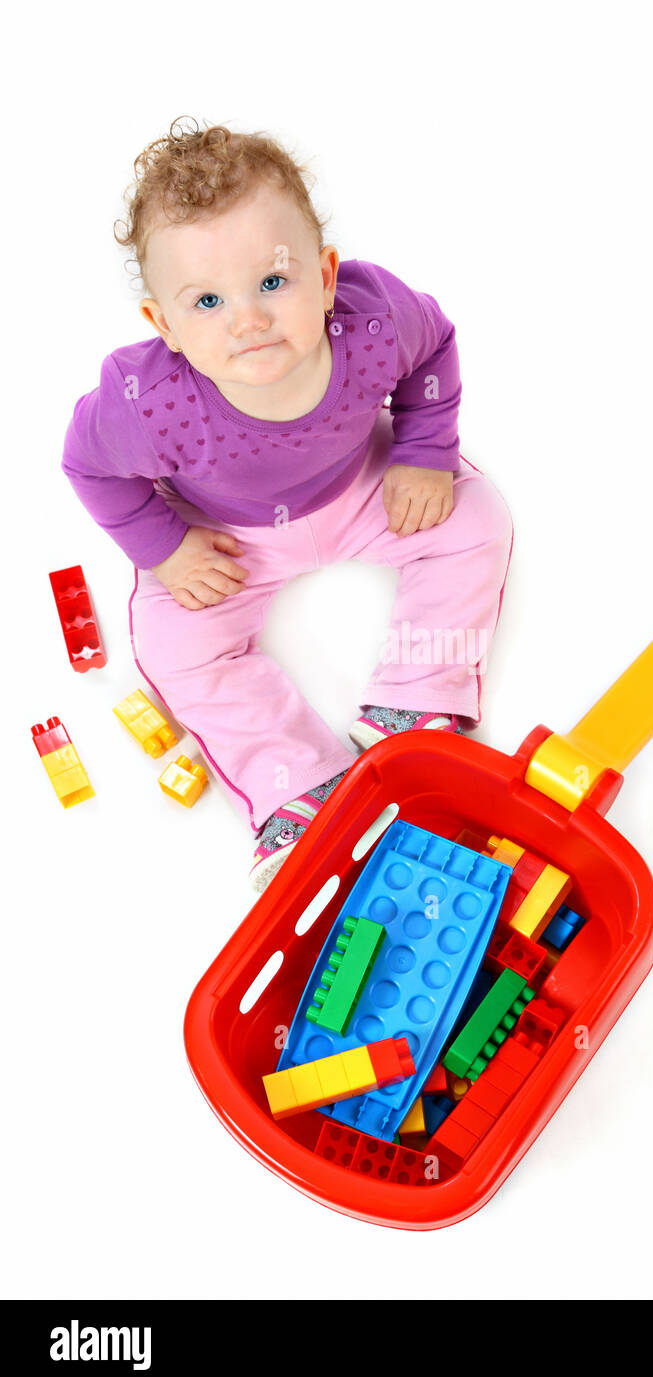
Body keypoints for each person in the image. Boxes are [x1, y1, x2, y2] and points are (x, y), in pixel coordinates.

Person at [61, 118, 513, 892]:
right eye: (206, 300)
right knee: (174, 646)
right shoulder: (147, 403)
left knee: (477, 520)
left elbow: (434, 348)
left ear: (327, 275)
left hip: (359, 483)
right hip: (226, 536)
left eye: (273, 282)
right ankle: (296, 784)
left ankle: (413, 702)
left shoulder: (372, 321)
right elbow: (88, 467)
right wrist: (167, 548)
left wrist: (425, 452)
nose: (248, 319)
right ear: (162, 325)